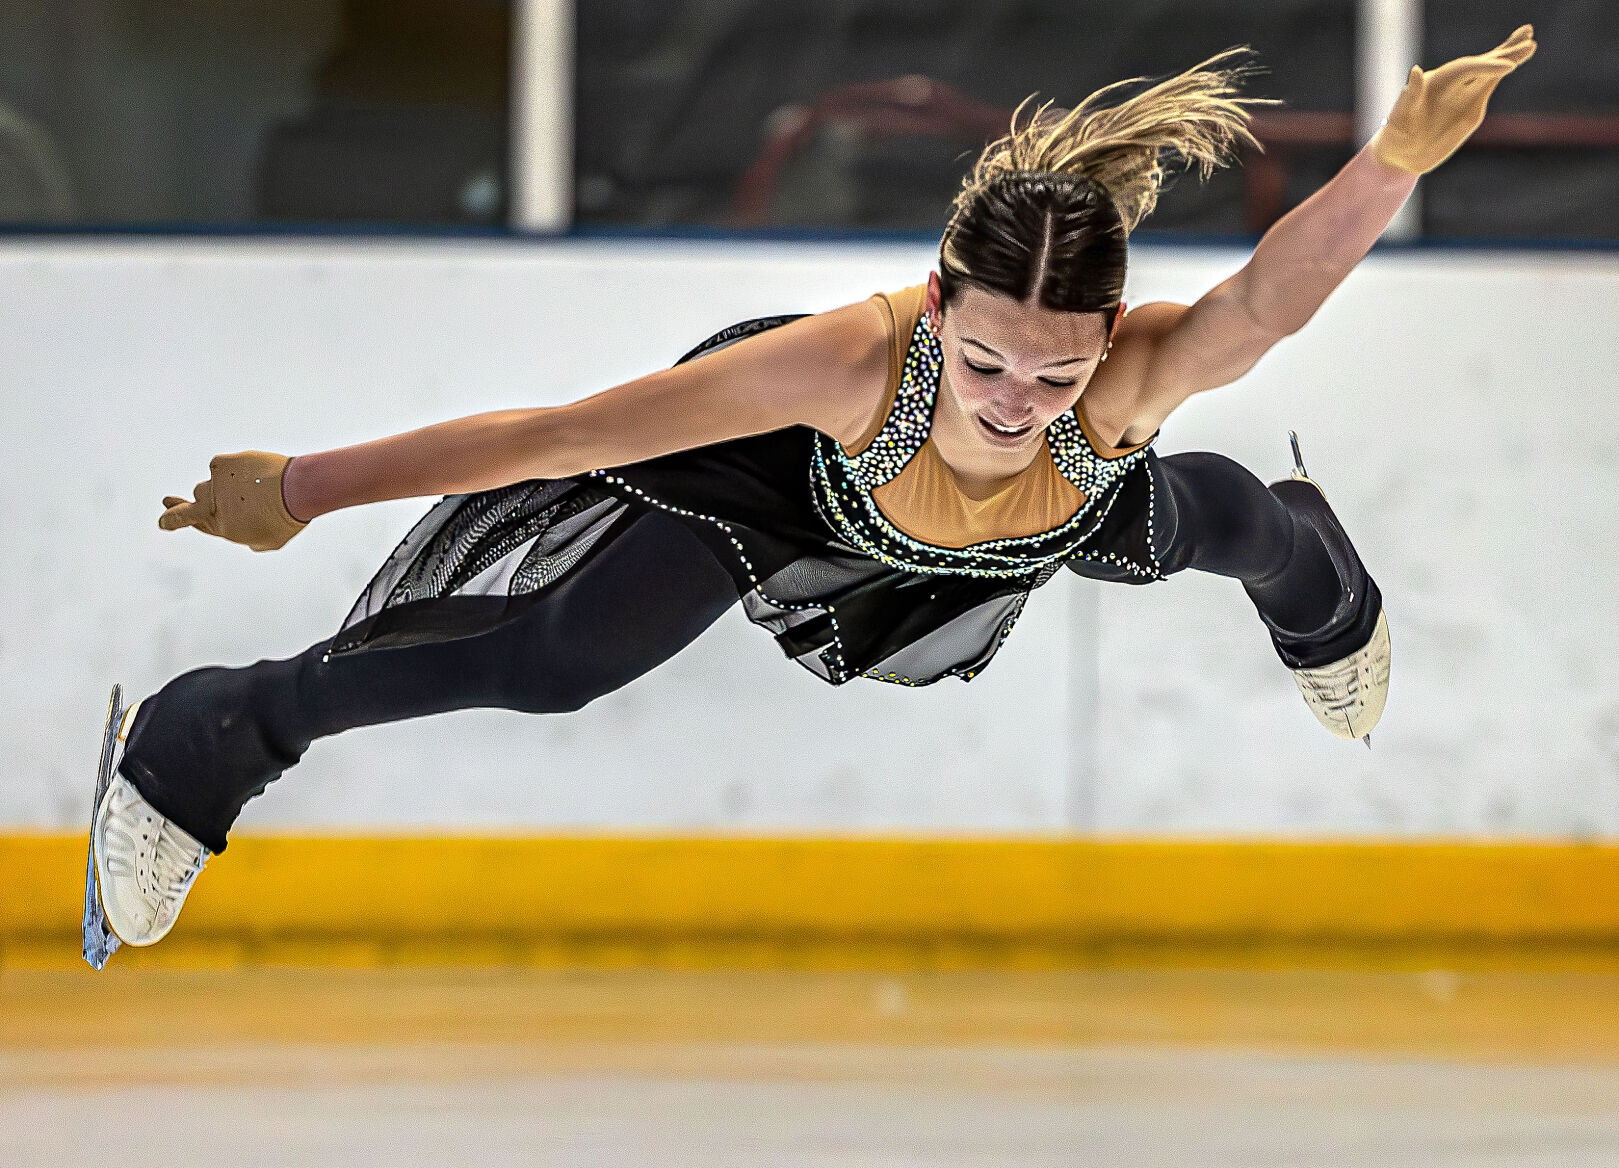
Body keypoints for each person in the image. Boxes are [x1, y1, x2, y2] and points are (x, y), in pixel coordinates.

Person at [84, 28, 1537, 963]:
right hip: (798, 494)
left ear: (1106, 339)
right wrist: (302, 485)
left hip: (1054, 518)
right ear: (935, 305)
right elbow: (560, 436)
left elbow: (1269, 302)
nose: (1016, 402)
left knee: (1199, 522)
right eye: (985, 363)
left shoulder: (1116, 389)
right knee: (557, 663)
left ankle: (1325, 582)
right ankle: (223, 724)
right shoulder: (845, 366)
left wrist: (1394, 159)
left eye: (1055, 374)